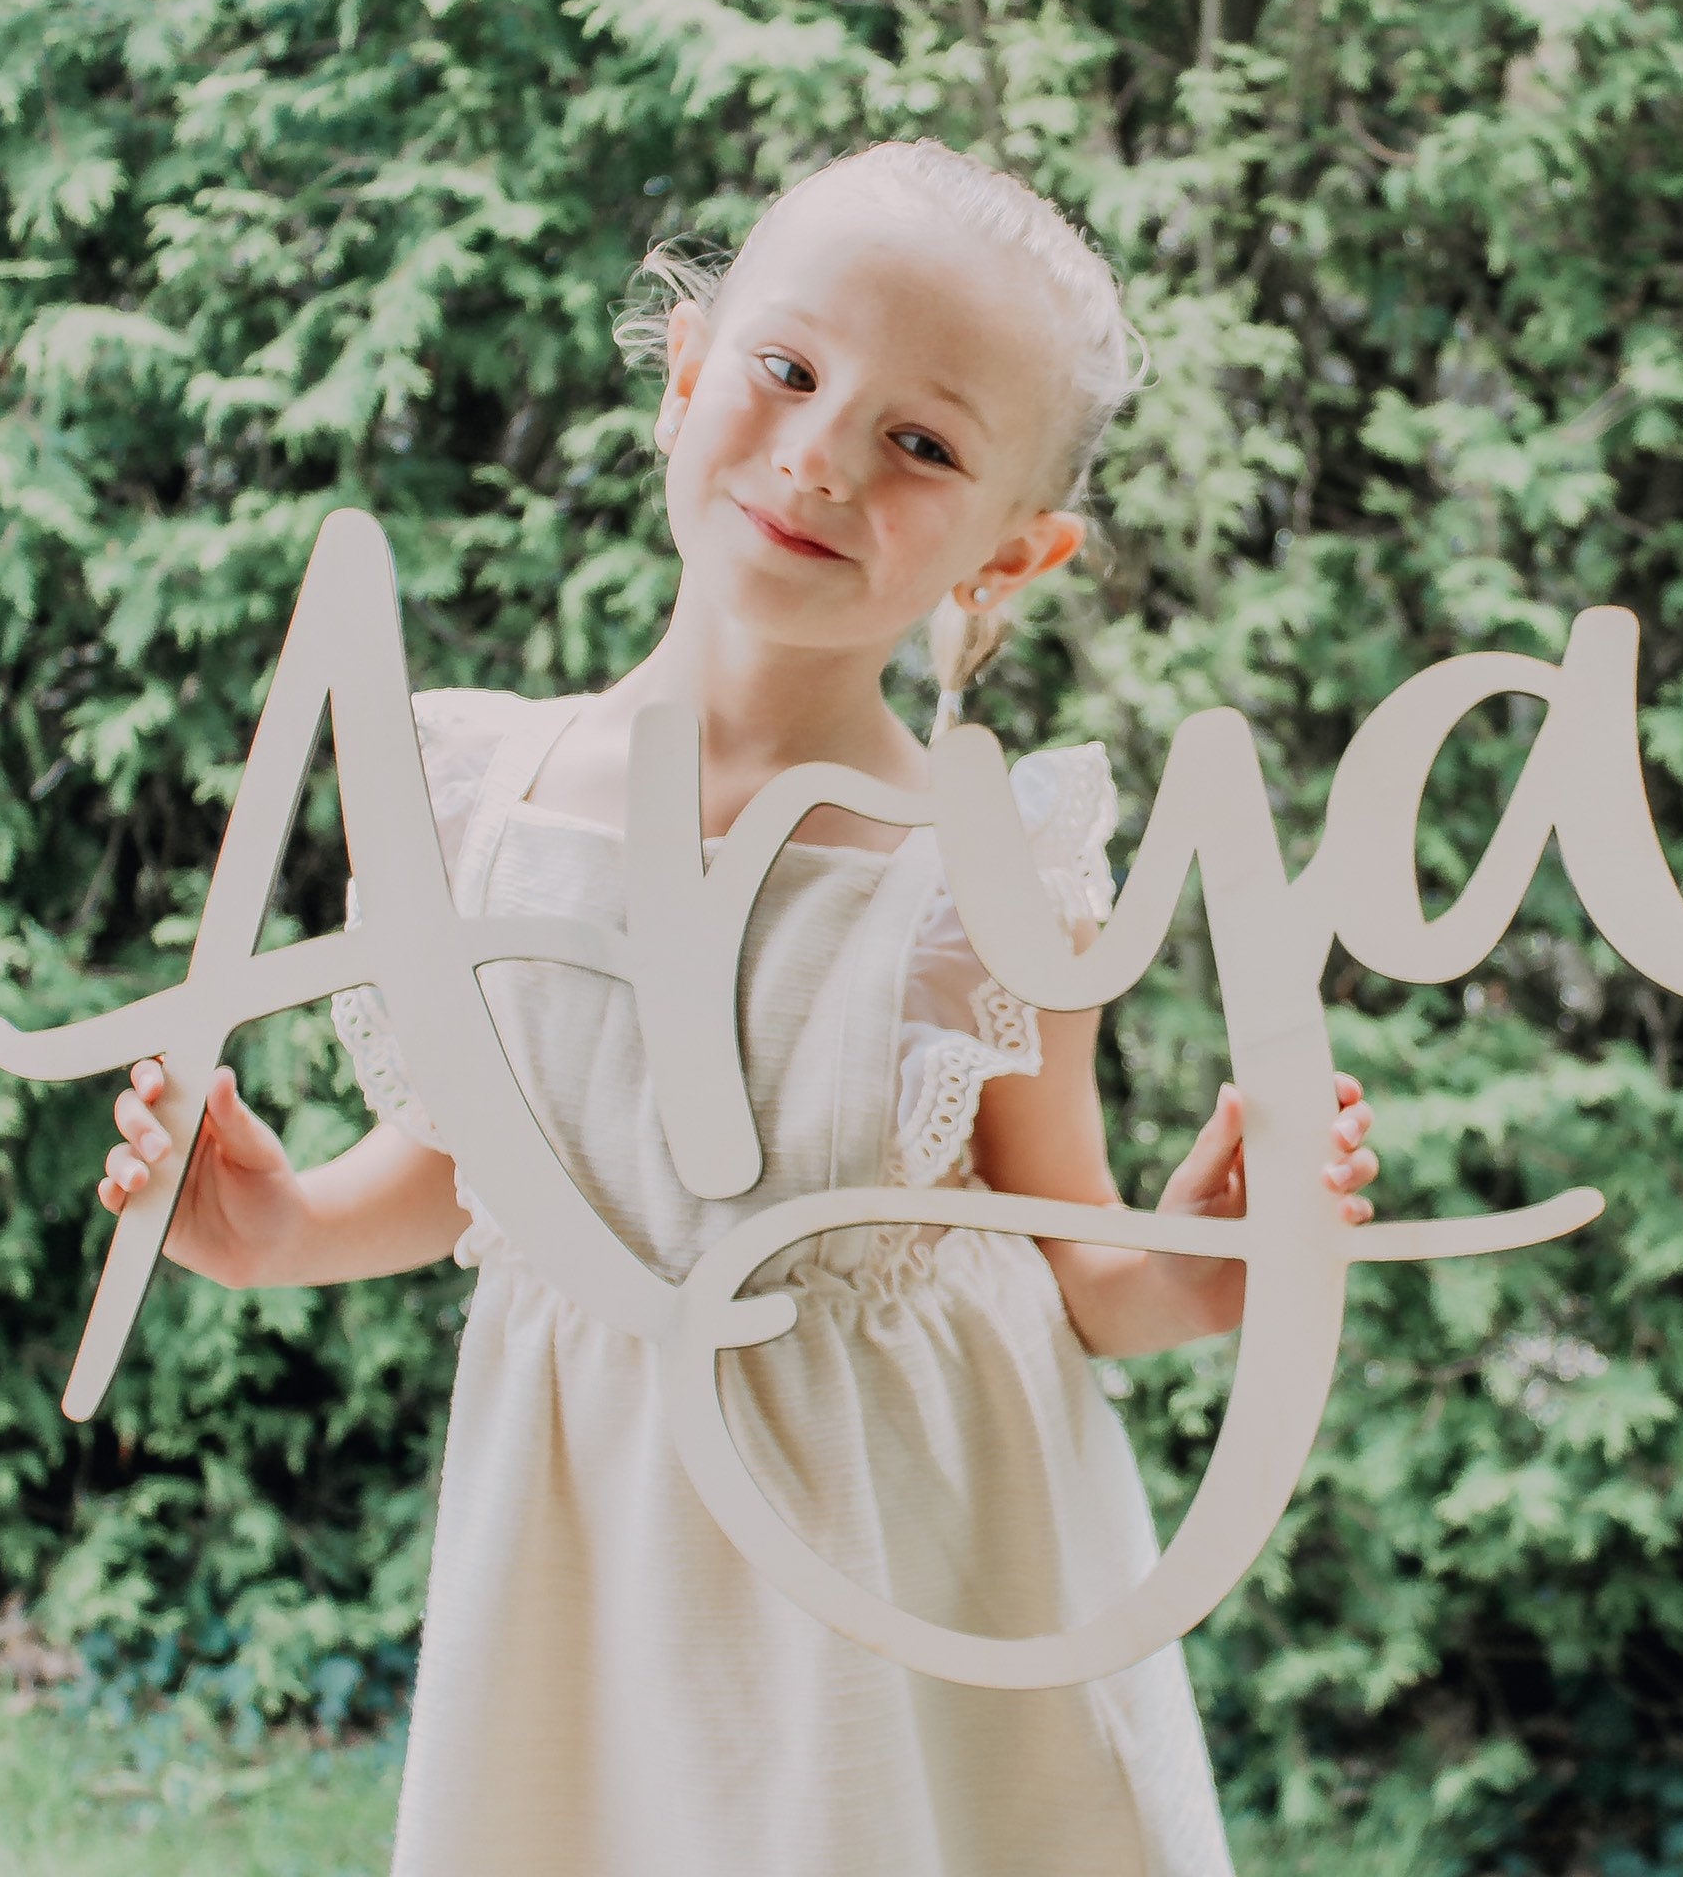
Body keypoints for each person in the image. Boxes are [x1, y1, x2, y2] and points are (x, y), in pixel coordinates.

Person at [91, 139, 1381, 1876]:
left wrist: (1218, 1257)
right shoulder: (485, 798)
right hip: (598, 1582)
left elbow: (1087, 1279)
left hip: (915, 1599)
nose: (823, 453)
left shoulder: (981, 875)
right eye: (787, 368)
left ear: (1017, 552)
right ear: (689, 370)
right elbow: (494, 1176)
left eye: (923, 443)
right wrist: (274, 1224)